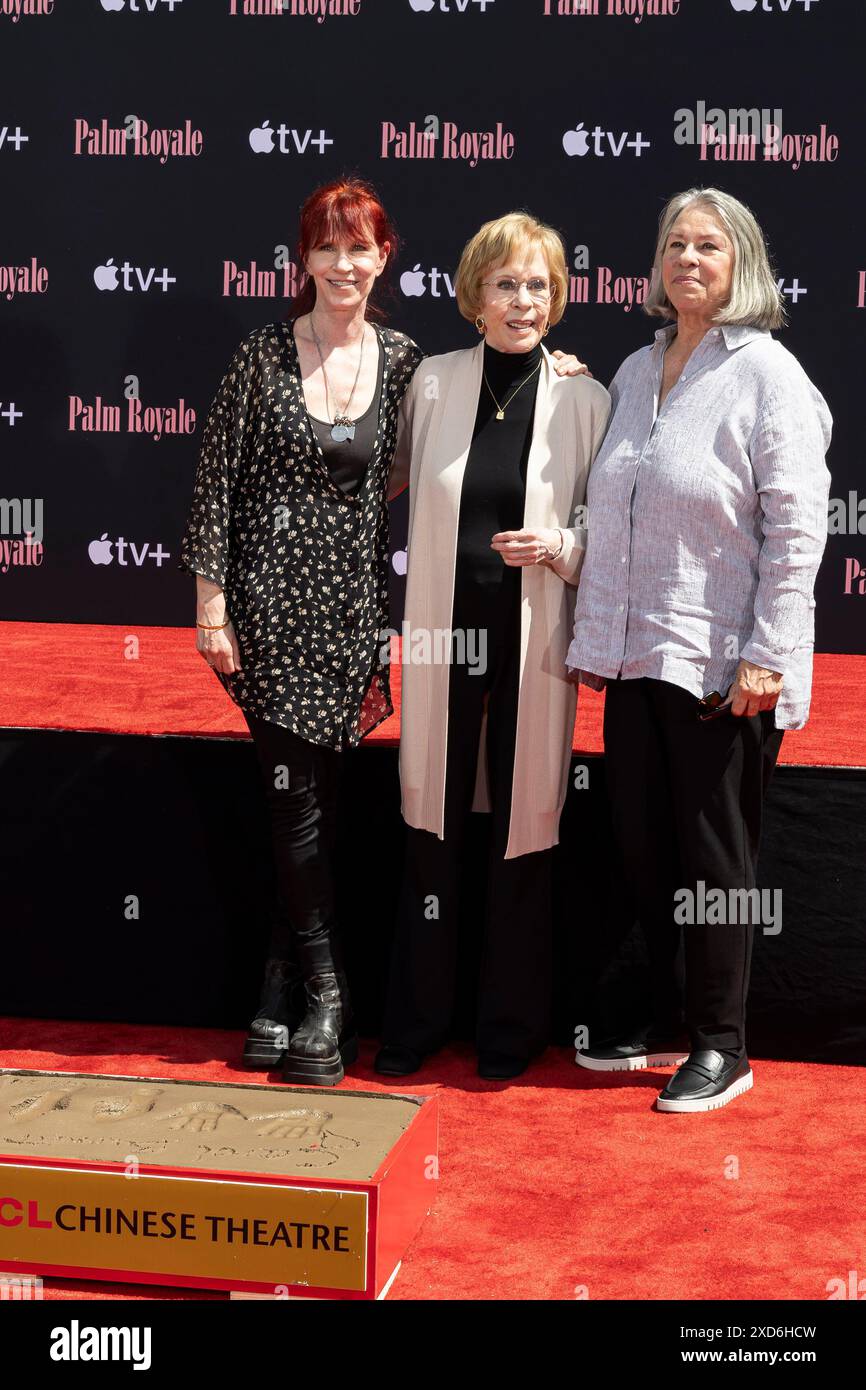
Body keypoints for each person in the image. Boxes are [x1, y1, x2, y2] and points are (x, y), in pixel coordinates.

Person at [178, 181, 584, 1086]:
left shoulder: (420, 363)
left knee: (325, 795)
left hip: (363, 614)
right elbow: (221, 484)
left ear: (385, 257)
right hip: (279, 611)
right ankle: (331, 992)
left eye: (358, 248)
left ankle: (286, 985)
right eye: (328, 248)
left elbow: (440, 452)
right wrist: (214, 602)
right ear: (304, 261)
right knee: (300, 800)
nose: (344, 264)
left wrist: (562, 382)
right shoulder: (288, 360)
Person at [568, 187, 832, 1113]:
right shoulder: (639, 371)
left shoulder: (769, 374)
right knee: (644, 848)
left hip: (725, 667)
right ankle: (659, 1014)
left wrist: (769, 653)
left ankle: (725, 1044)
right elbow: (618, 509)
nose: (688, 259)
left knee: (718, 864)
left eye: (708, 246)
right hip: (639, 658)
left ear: (741, 264)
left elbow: (799, 530)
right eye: (674, 243)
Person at [375, 212, 611, 1081]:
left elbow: (606, 530)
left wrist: (561, 548)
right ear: (475, 295)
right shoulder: (432, 383)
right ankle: (415, 1025)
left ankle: (510, 1033)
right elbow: (379, 479)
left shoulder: (586, 399)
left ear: (557, 300)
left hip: (535, 644)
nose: (524, 300)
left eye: (541, 286)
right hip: (441, 641)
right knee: (430, 825)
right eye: (508, 284)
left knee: (522, 833)